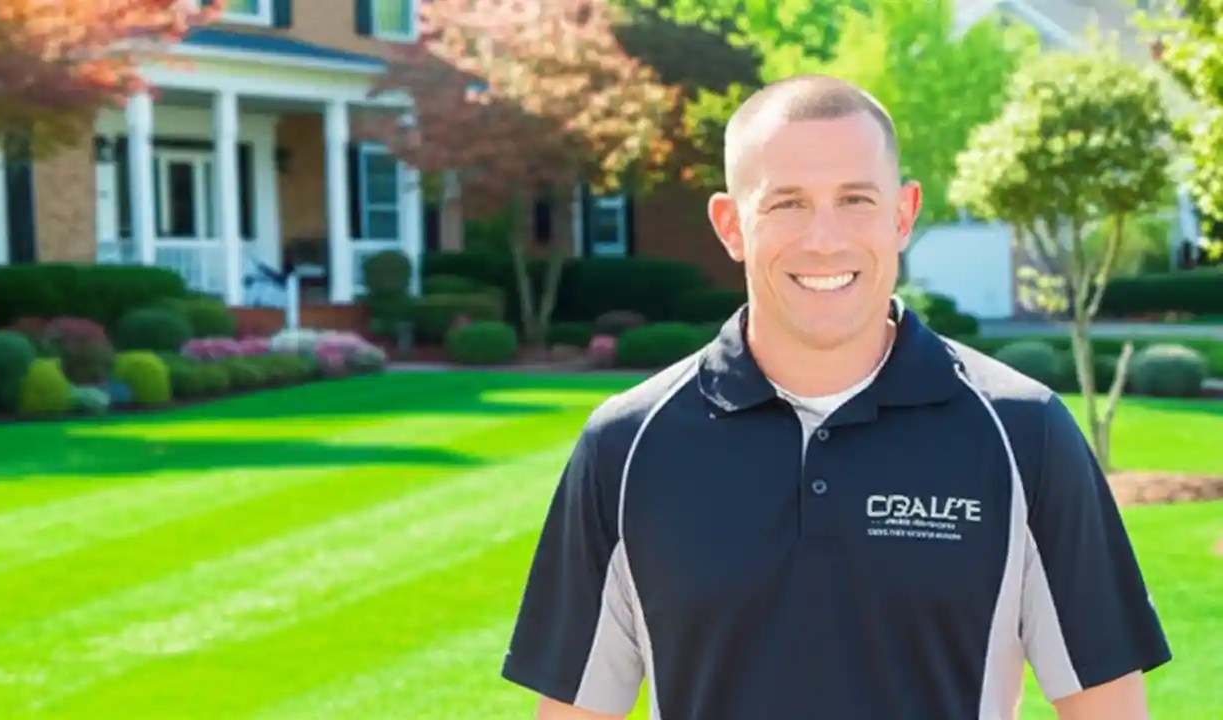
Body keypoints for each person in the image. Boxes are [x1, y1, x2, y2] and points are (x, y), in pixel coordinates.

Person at [499, 75, 1171, 719]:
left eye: (855, 199)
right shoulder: (626, 446)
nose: (825, 240)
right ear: (731, 225)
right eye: (787, 202)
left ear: (903, 214)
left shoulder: (1026, 434)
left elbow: (1105, 705)